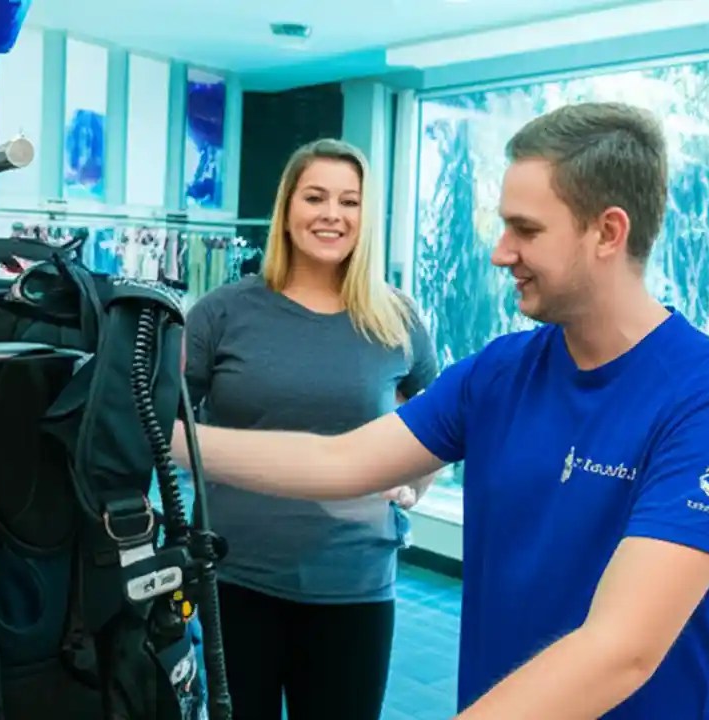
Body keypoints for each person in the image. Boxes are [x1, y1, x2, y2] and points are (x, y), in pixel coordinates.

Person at [175, 103, 709, 719]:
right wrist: (159, 434)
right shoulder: (500, 373)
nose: (500, 252)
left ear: (608, 232)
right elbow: (339, 460)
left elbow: (619, 649)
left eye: (526, 230)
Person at [183, 138, 438, 719]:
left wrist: (419, 478)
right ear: (287, 208)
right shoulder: (222, 313)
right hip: (235, 575)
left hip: (355, 581)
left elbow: (438, 423)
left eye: (349, 201)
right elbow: (160, 427)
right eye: (315, 197)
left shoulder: (396, 316)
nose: (332, 214)